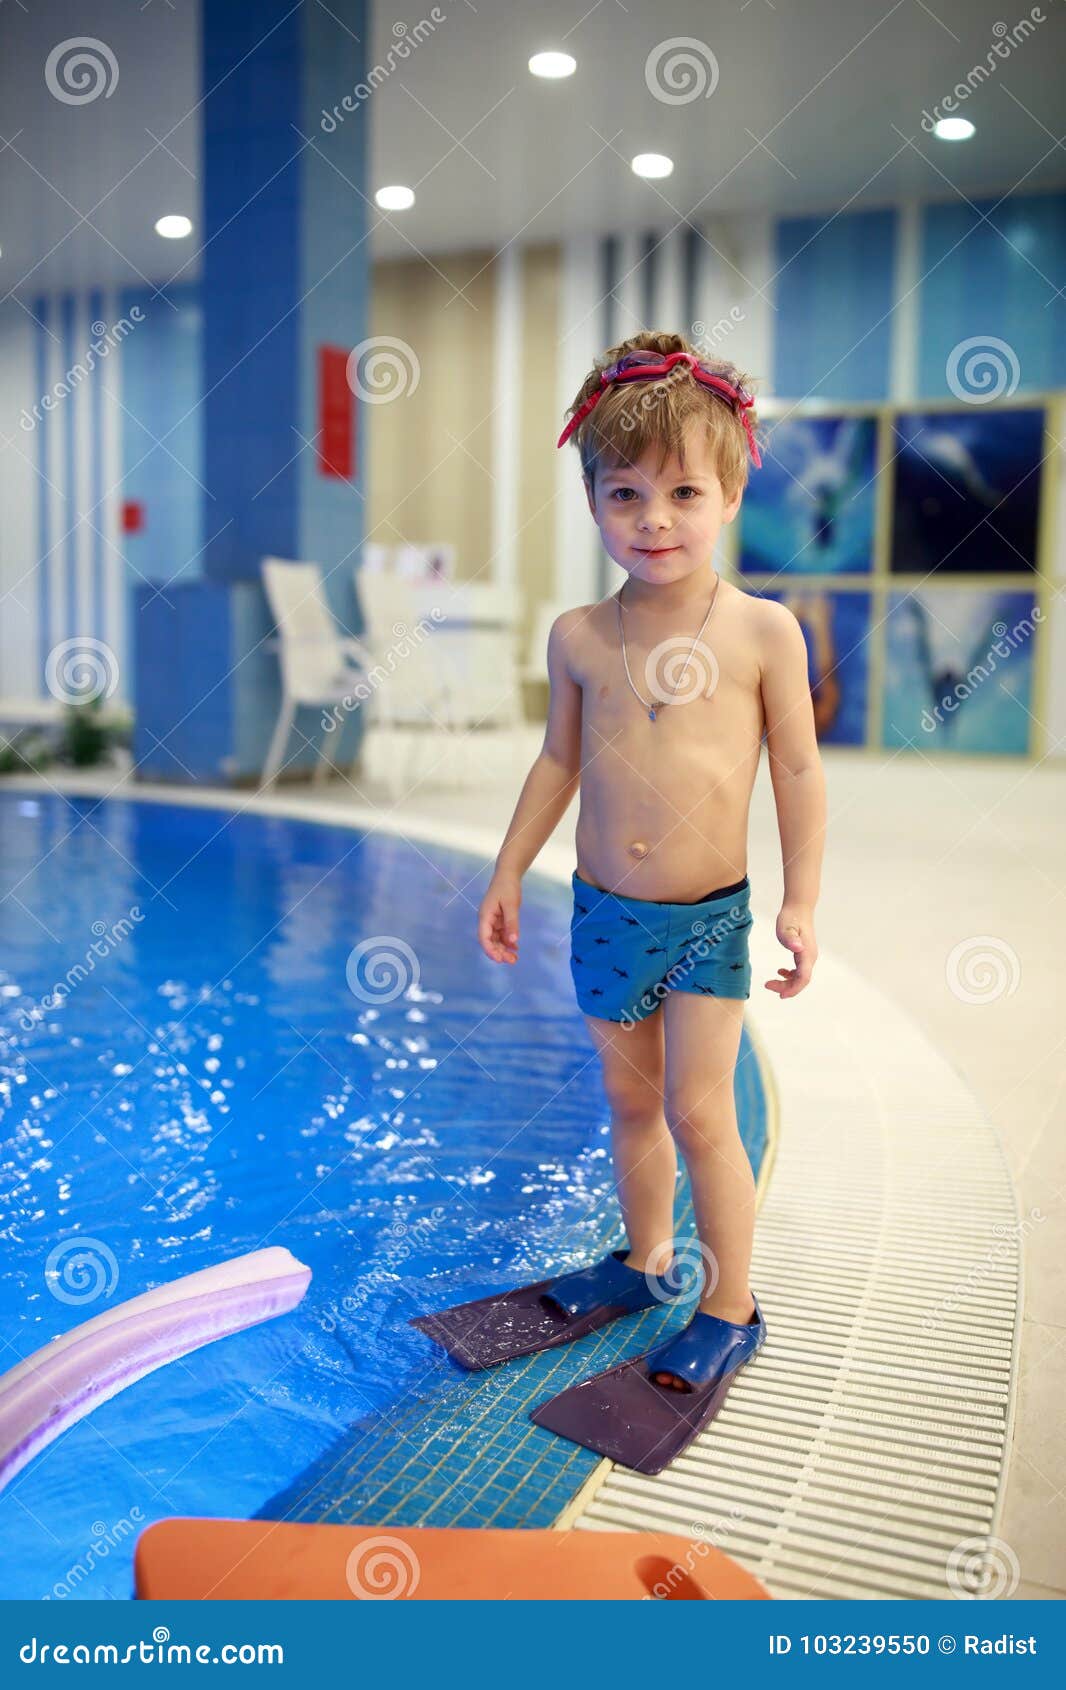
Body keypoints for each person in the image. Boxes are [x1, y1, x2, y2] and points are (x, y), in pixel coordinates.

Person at [414, 330, 826, 1471]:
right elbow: (558, 761)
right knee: (628, 1101)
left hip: (706, 919)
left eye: (683, 492)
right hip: (604, 911)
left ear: (731, 493)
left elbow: (797, 769)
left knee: (701, 1112)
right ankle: (644, 1261)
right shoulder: (581, 638)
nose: (654, 518)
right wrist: (508, 867)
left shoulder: (761, 631)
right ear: (593, 500)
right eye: (625, 493)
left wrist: (800, 900)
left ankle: (730, 1305)